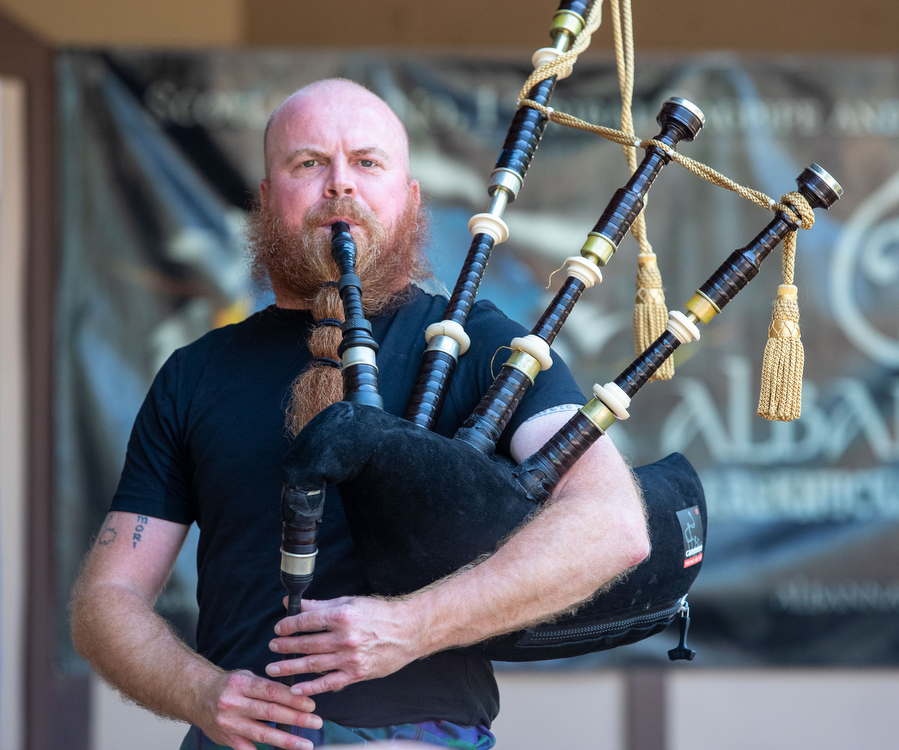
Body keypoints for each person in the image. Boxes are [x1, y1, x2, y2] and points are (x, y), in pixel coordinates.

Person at [71, 79, 649, 750]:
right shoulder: (196, 374)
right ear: (265, 199)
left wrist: (412, 626)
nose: (339, 185)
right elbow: (105, 601)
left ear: (410, 199)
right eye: (308, 163)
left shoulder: (486, 348)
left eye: (367, 163)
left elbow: (611, 523)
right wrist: (198, 691)